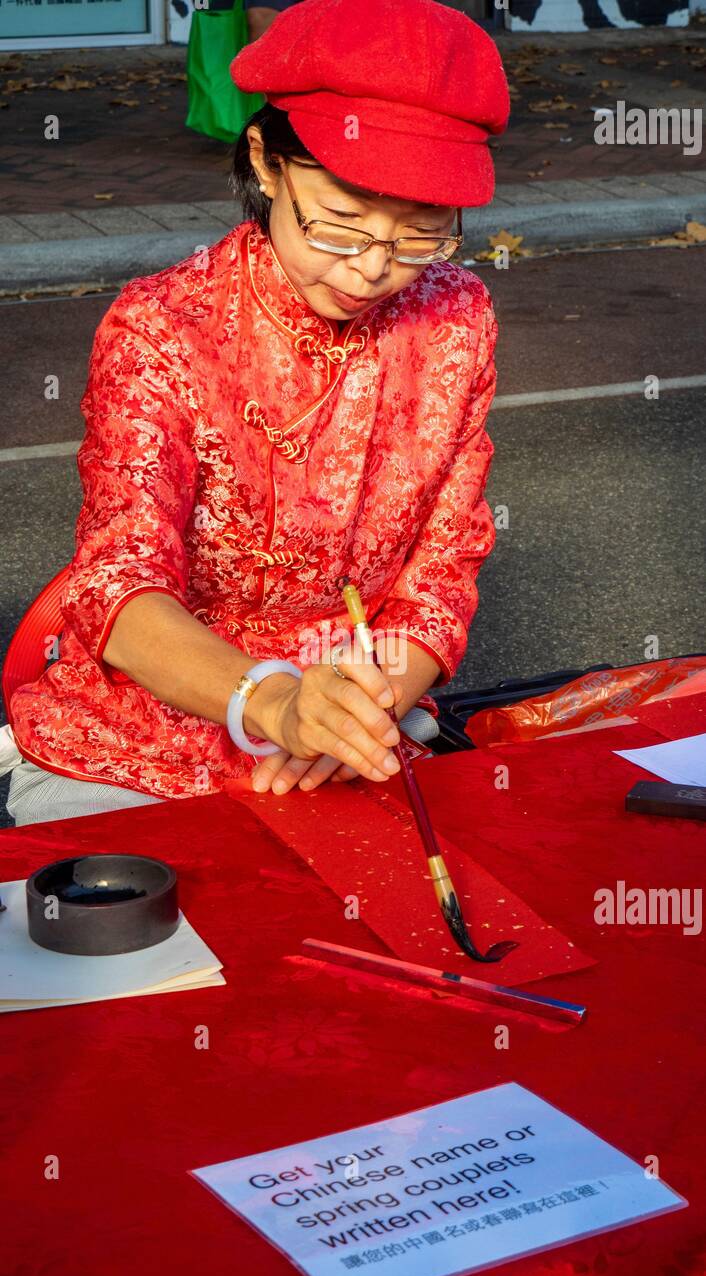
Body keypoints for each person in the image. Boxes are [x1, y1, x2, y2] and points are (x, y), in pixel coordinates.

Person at [2, 0, 509, 827]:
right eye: (338, 223)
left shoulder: (457, 317)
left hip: (349, 740)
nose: (374, 268)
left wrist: (362, 706)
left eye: (421, 234)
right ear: (266, 162)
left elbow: (443, 570)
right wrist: (271, 706)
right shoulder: (165, 327)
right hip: (141, 750)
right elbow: (118, 582)